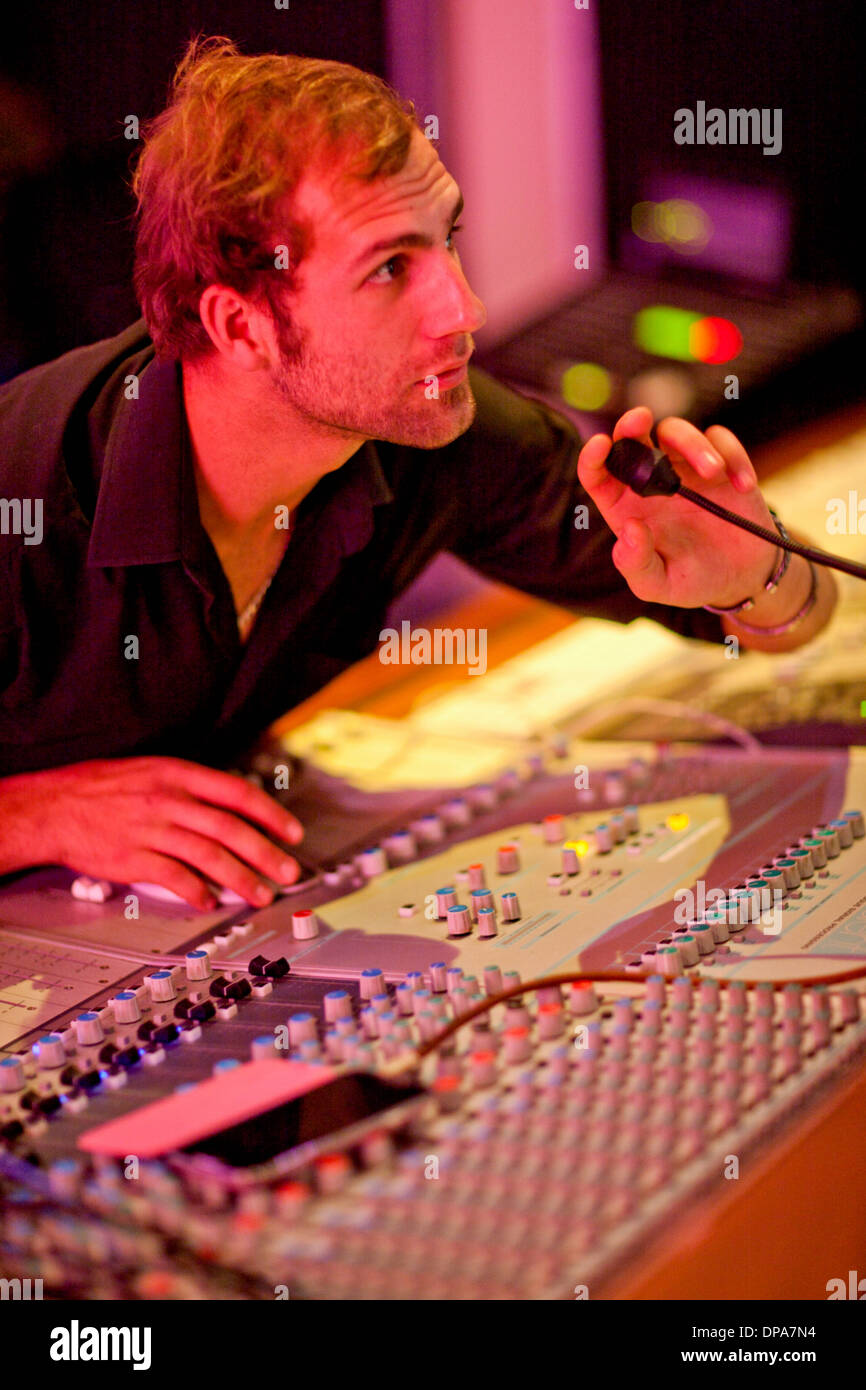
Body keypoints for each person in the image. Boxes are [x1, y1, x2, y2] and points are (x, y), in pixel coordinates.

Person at [0, 37, 836, 911]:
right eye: (391, 267)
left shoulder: (430, 431)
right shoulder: (27, 490)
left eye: (450, 239)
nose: (465, 309)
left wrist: (758, 574)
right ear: (242, 326)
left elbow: (780, 623)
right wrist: (38, 815)